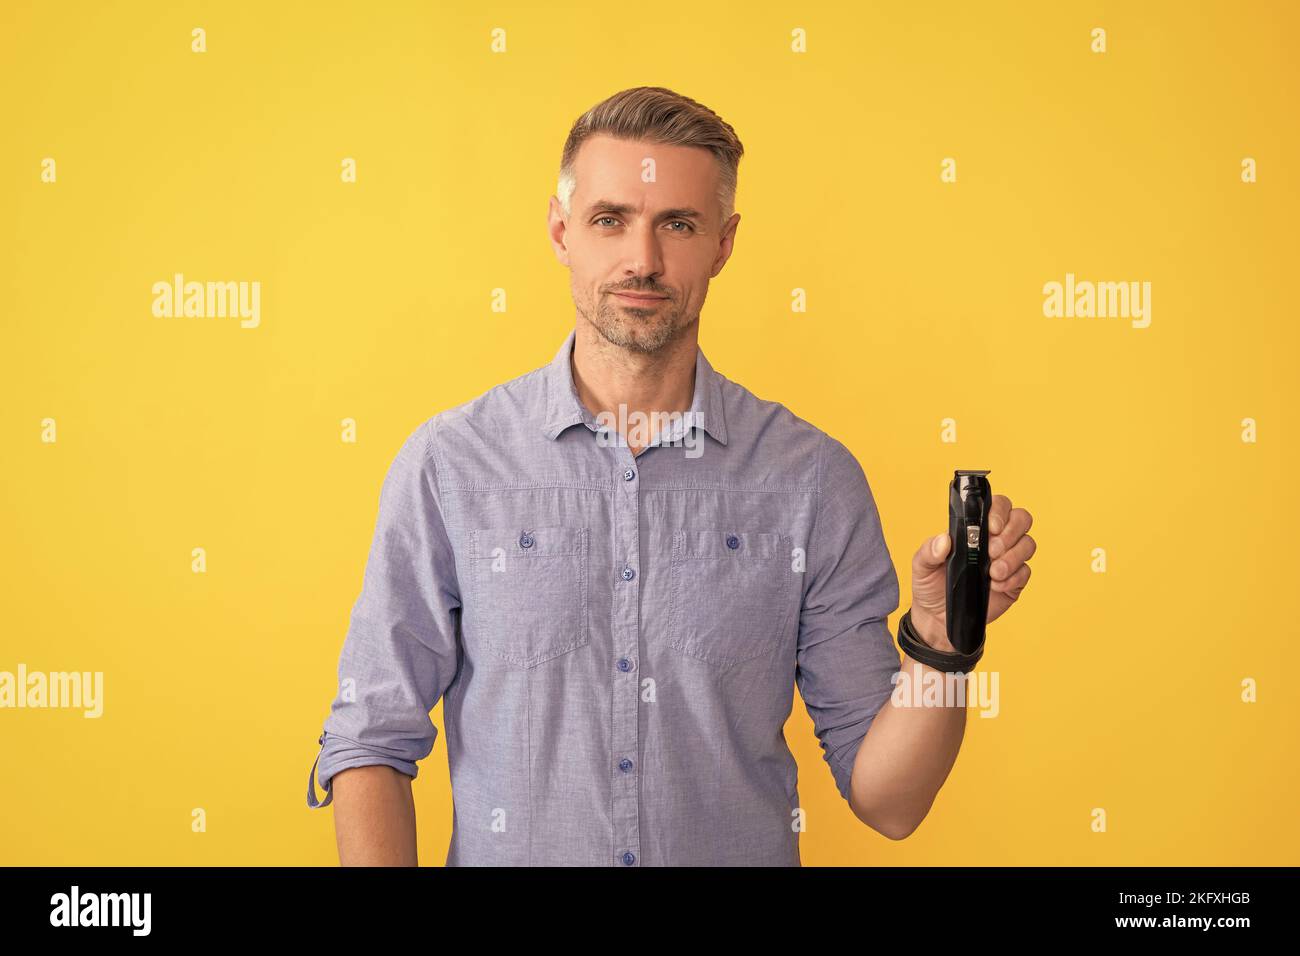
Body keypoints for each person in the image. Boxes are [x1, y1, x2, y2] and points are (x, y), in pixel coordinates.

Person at [305, 86, 1036, 866]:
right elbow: (371, 736)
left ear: (723, 243)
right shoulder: (451, 466)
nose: (642, 261)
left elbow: (891, 801)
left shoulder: (812, 480)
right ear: (561, 231)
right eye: (609, 219)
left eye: (677, 225)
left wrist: (941, 640)